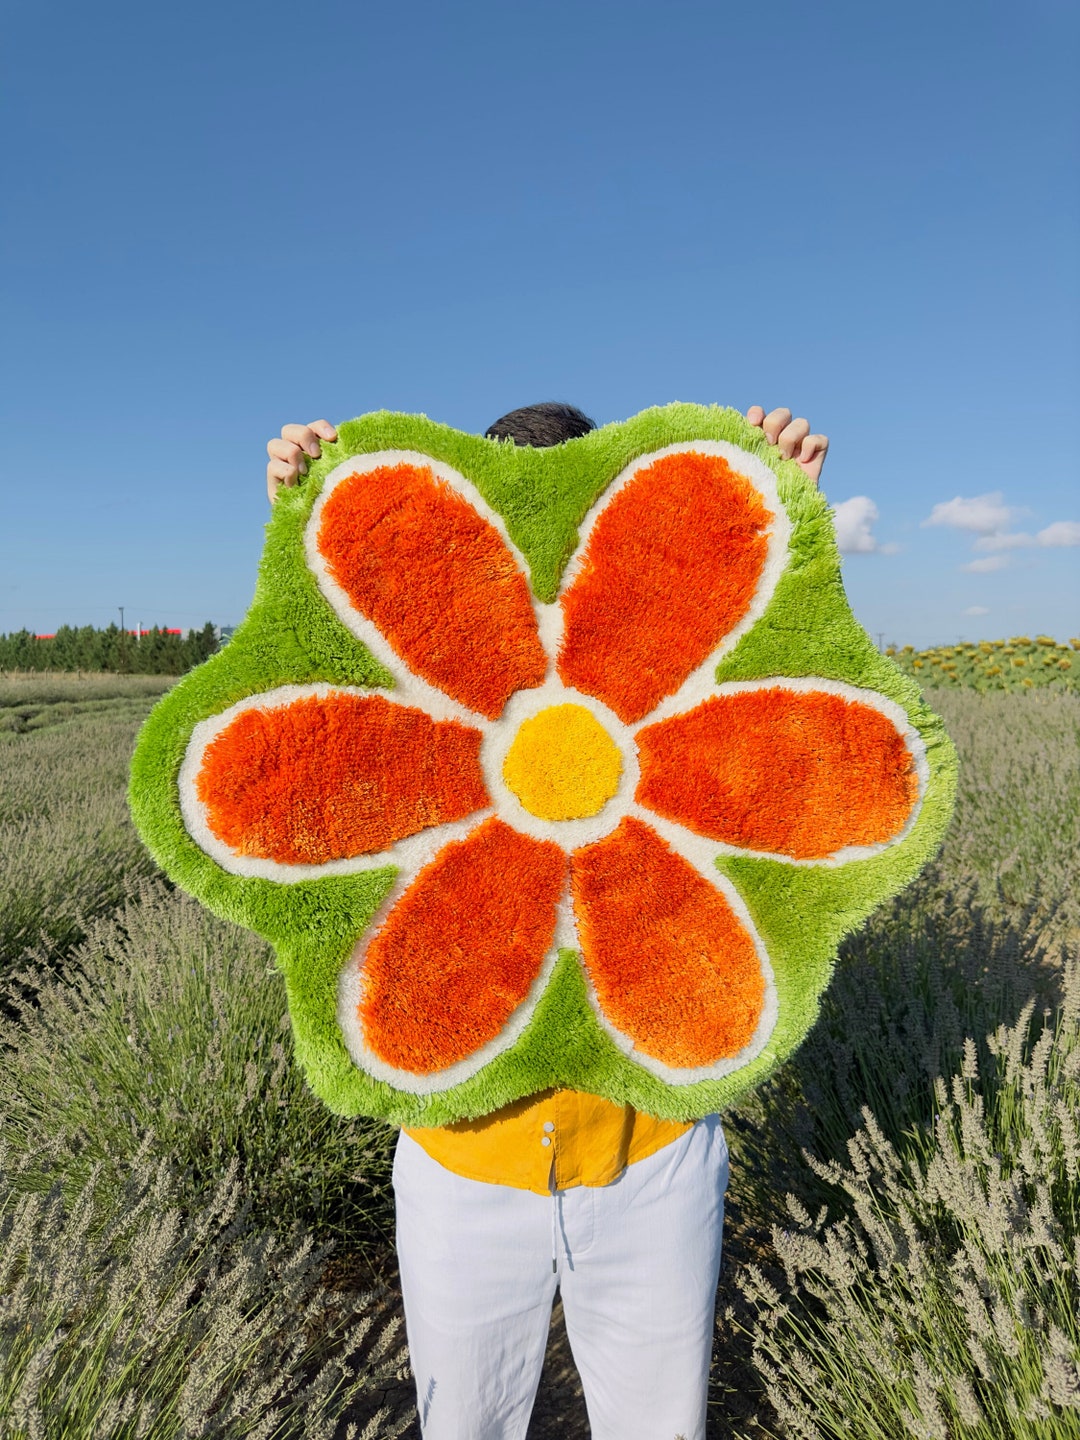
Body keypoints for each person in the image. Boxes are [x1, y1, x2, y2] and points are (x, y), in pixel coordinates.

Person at [265, 402, 828, 1440]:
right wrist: (305, 515)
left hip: (651, 1150)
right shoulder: (422, 668)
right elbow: (313, 712)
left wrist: (778, 507)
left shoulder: (665, 645)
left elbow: (784, 686)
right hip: (461, 1158)